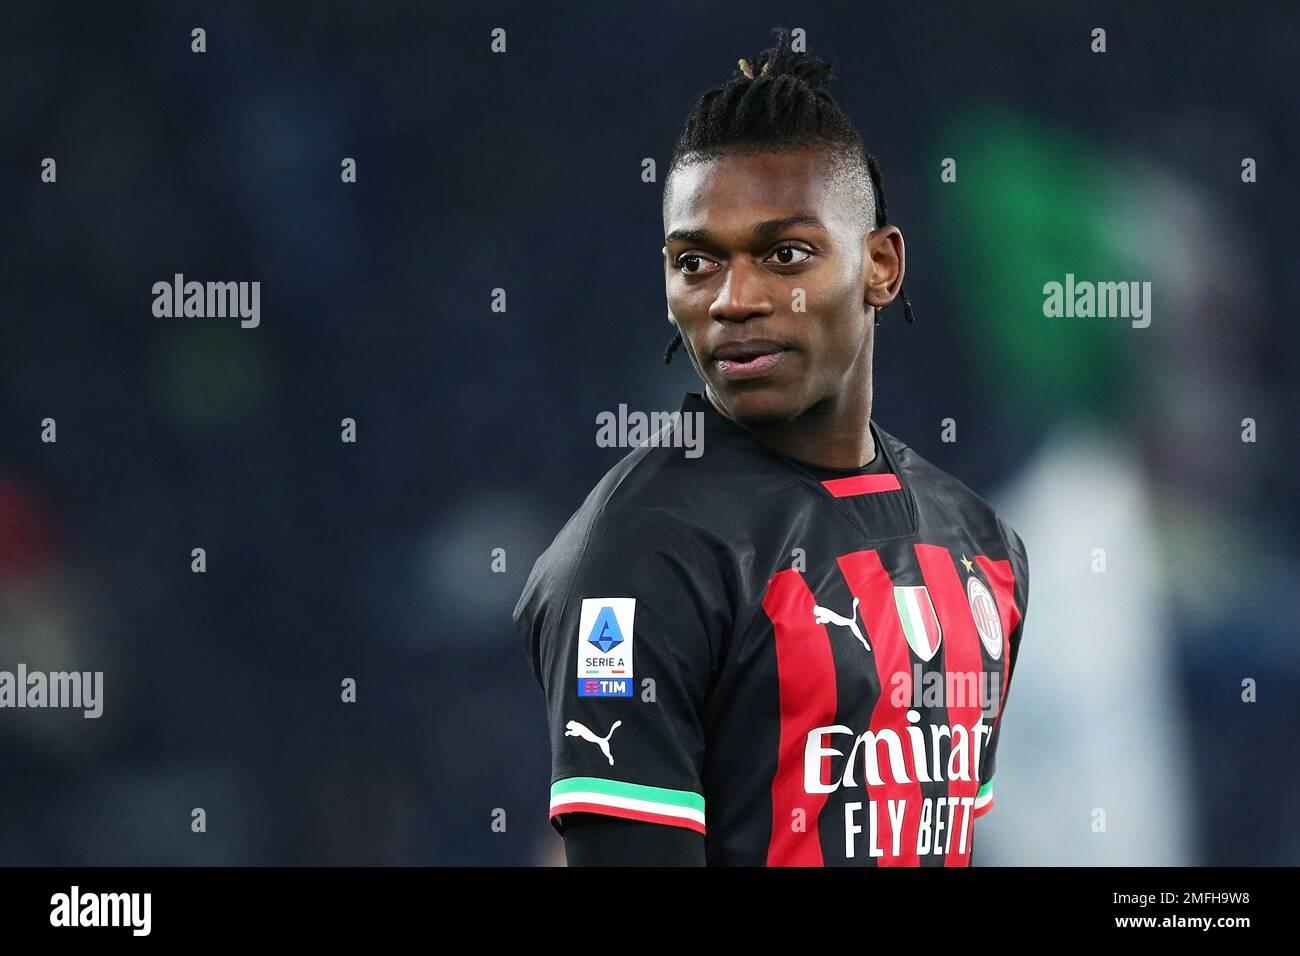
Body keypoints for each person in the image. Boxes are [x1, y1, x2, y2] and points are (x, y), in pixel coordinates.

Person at [513, 27, 1029, 866]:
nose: (734, 299)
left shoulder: (983, 549)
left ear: (880, 267)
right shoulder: (635, 562)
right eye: (696, 263)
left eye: (785, 254)